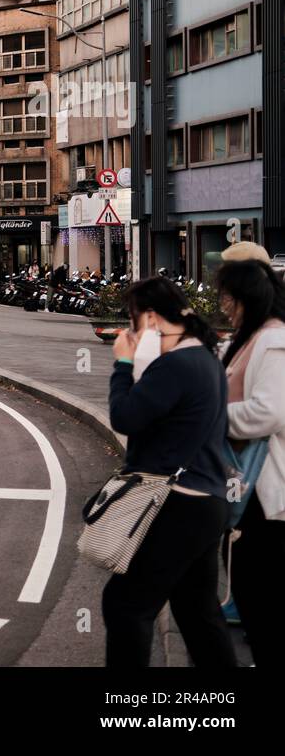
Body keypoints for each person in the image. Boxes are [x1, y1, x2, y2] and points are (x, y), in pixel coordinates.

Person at [103, 277, 238, 667]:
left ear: (149, 319)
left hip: (178, 502)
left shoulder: (177, 365)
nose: (128, 330)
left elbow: (125, 416)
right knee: (197, 611)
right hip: (204, 501)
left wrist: (123, 363)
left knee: (125, 605)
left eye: (131, 321)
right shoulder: (204, 357)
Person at [216, 242, 285, 666]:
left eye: (226, 296)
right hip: (243, 490)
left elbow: (269, 412)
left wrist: (211, 416)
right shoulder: (244, 341)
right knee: (253, 600)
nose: (221, 304)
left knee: (266, 607)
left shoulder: (273, 341)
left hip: (268, 495)